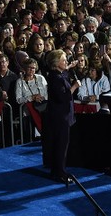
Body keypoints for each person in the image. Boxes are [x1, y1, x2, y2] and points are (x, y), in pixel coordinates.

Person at [43, 49, 79, 184]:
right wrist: (74, 86)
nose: (66, 62)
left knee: (60, 144)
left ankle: (57, 171)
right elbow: (62, 97)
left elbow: (64, 73)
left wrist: (69, 67)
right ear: (56, 63)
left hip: (61, 115)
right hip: (60, 117)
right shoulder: (56, 78)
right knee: (61, 146)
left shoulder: (57, 74)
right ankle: (60, 173)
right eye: (63, 60)